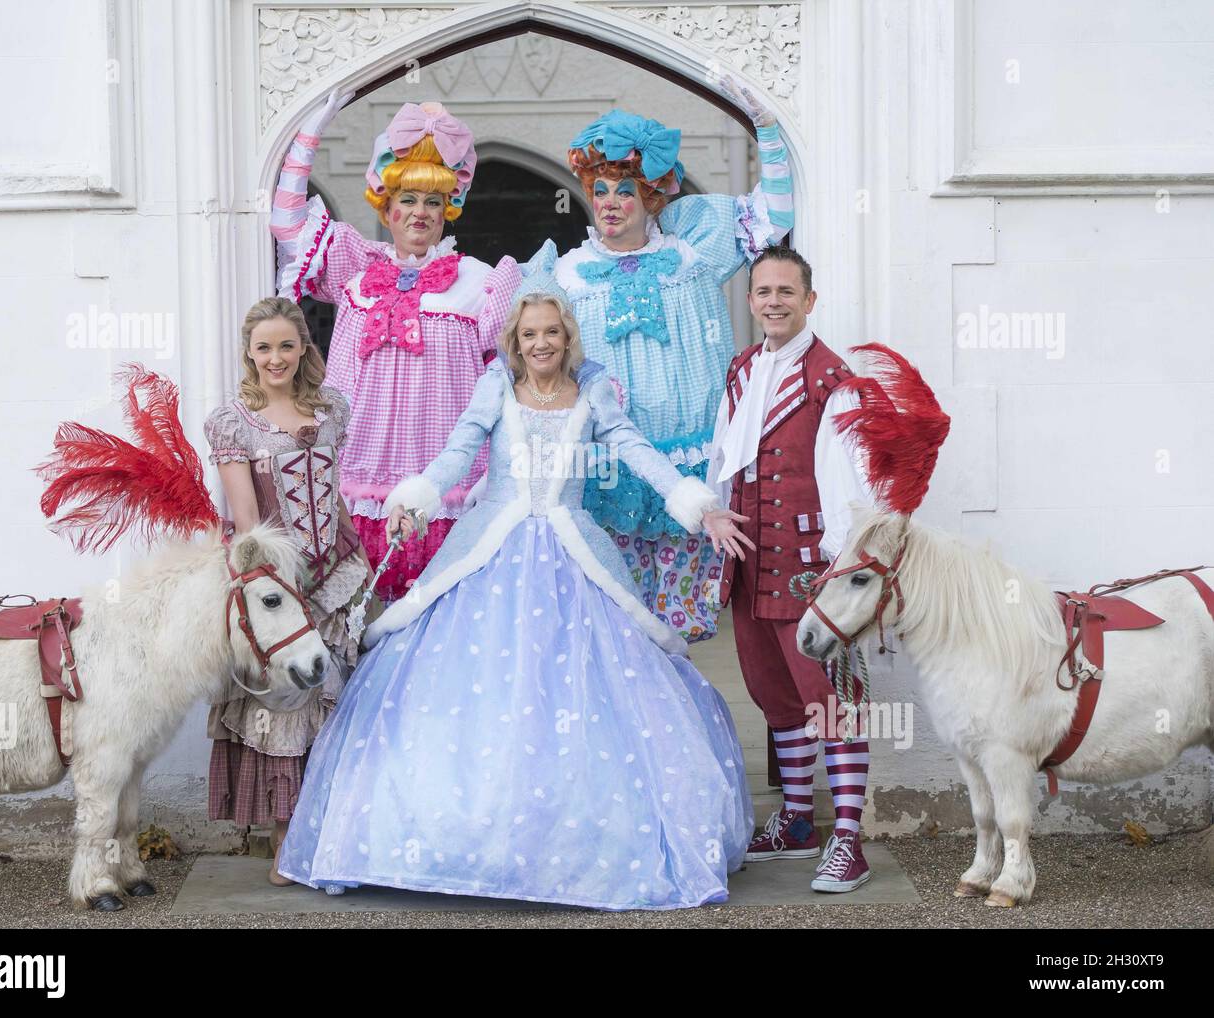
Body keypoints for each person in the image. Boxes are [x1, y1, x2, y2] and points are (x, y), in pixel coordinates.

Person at [277, 273, 757, 910]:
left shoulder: (594, 389)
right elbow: (459, 452)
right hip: (490, 550)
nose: (541, 343)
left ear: (567, 336)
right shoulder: (496, 385)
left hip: (575, 555)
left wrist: (698, 504)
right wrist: (417, 497)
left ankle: (568, 839)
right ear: (515, 339)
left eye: (551, 332)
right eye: (530, 333)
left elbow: (637, 450)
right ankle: (459, 838)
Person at [525, 79, 795, 646]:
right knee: (614, 623)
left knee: (680, 629)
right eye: (600, 190)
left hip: (691, 465)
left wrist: (768, 128)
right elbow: (532, 367)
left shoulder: (691, 254)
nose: (610, 202)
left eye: (624, 190)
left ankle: (676, 702)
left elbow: (774, 214)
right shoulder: (566, 276)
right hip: (609, 469)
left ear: (650, 198)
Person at [271, 88, 520, 601]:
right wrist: (309, 129)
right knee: (356, 620)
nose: (419, 213)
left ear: (449, 209)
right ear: (386, 207)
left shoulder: (481, 282)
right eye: (407, 199)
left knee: (442, 616)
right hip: (354, 480)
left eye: (433, 201)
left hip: (444, 486)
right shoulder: (356, 267)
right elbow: (287, 223)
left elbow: (509, 384)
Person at [707, 246, 876, 893]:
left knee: (832, 701)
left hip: (810, 568)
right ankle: (799, 820)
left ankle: (849, 839)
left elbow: (846, 479)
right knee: (774, 694)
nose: (773, 301)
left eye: (786, 291)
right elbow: (723, 455)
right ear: (751, 301)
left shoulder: (832, 377)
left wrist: (843, 568)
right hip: (751, 562)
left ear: (809, 300)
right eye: (763, 291)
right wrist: (712, 514)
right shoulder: (742, 368)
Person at [202, 296, 374, 886]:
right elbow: (248, 522)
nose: (275, 358)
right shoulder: (234, 421)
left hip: (340, 574)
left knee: (334, 701)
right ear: (249, 354)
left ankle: (336, 837)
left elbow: (334, 497)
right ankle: (286, 844)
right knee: (286, 707)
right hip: (282, 584)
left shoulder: (331, 409)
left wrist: (353, 565)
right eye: (263, 348)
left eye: (285, 345)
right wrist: (280, 589)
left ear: (303, 348)